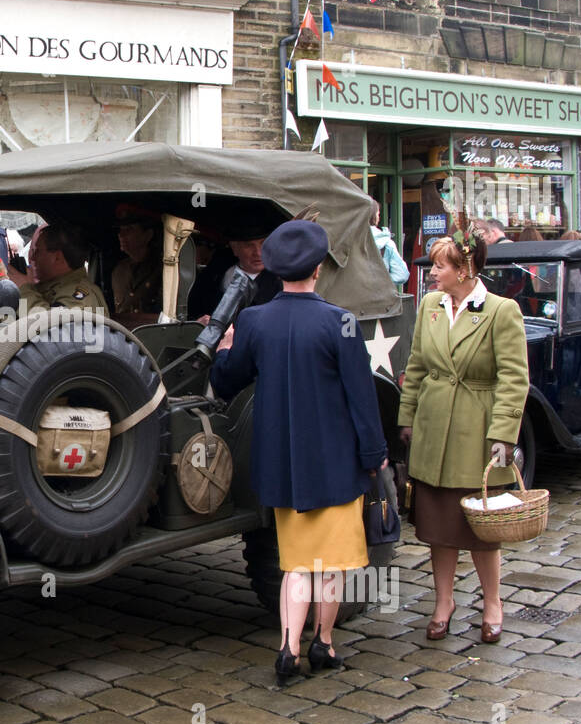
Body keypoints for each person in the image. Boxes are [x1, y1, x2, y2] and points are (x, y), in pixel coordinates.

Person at [209, 220, 388, 685]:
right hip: (335, 462)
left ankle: (288, 650)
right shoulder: (340, 322)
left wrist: (226, 350)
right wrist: (375, 455)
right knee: (329, 563)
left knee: (295, 564)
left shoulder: (253, 320)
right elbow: (361, 398)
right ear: (318, 267)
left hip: (283, 465)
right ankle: (323, 643)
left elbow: (227, 382)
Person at [397, 227, 528, 645]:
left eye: (439, 266)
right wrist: (408, 417)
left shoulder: (501, 310)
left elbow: (514, 379)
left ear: (464, 269)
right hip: (435, 433)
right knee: (439, 526)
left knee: (481, 528)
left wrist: (504, 435)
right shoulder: (430, 306)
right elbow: (416, 365)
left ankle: (493, 602)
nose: (432, 273)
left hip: (477, 433)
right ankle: (444, 602)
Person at [187, 222, 282, 321]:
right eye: (249, 245)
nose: (258, 252)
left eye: (263, 243)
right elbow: (193, 308)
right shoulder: (215, 272)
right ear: (234, 248)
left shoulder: (281, 282)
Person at [13, 222, 107, 312]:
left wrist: (24, 289)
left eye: (37, 251)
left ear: (57, 258)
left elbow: (53, 325)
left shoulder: (82, 295)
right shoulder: (50, 288)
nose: (32, 258)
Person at [111, 204, 163, 326]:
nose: (121, 235)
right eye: (120, 230)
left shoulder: (163, 269)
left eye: (129, 229)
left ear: (148, 235)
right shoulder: (118, 270)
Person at [370, 203, 409, 287]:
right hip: (377, 294)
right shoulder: (386, 242)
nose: (379, 217)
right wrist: (380, 281)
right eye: (378, 214)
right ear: (374, 216)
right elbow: (402, 275)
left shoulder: (347, 238)